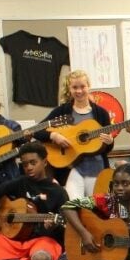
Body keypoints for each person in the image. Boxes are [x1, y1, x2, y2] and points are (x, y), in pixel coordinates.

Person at [40, 69, 113, 198]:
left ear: (88, 86)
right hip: (71, 168)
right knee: (72, 205)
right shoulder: (62, 111)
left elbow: (106, 148)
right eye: (75, 87)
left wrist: (110, 142)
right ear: (70, 88)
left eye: (82, 87)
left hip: (97, 168)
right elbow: (38, 130)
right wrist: (54, 136)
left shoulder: (101, 113)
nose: (79, 91)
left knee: (96, 208)